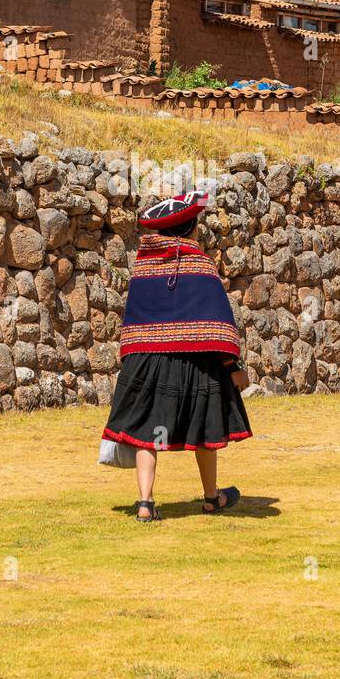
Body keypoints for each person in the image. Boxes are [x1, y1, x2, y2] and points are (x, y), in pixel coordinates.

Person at [102, 190, 251, 522]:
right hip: (197, 361)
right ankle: (212, 497)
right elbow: (216, 321)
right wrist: (233, 366)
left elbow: (135, 314)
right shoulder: (200, 264)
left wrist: (132, 357)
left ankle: (145, 502)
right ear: (192, 229)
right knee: (205, 427)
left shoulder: (143, 266)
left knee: (145, 430)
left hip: (148, 360)